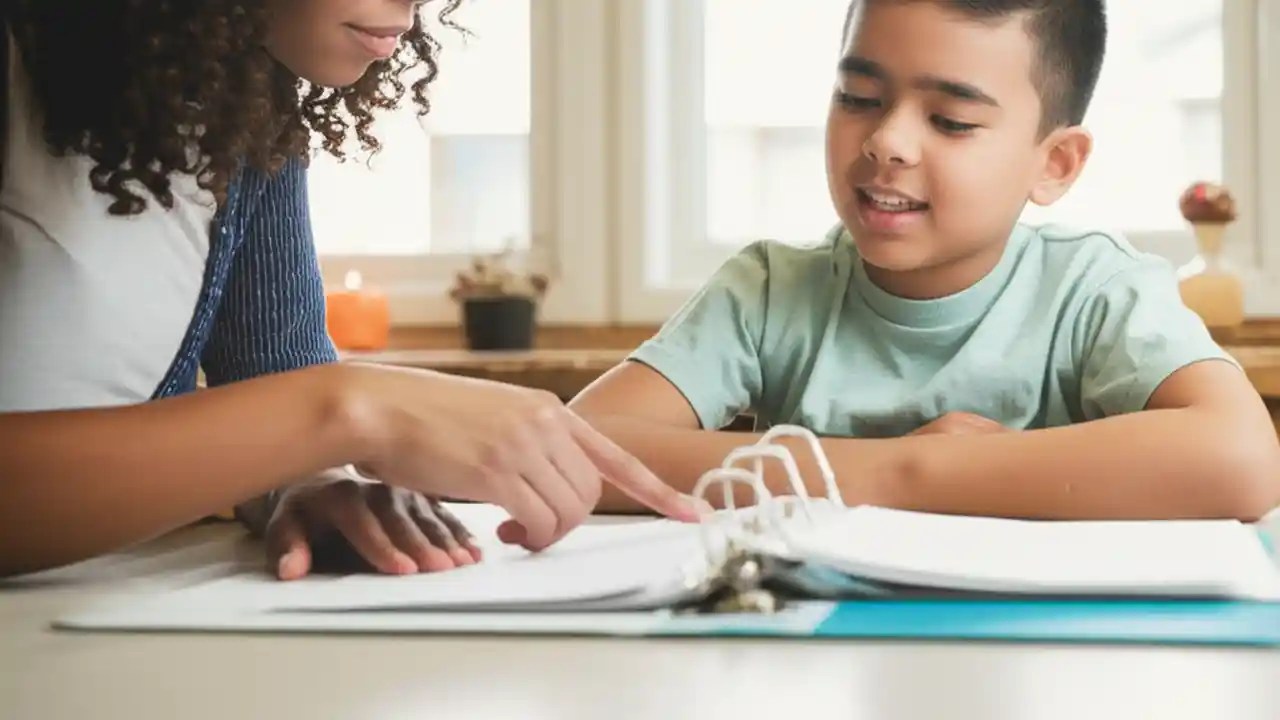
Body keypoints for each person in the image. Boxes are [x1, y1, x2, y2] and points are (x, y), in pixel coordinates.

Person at [0, 0, 702, 581]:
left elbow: (277, 382)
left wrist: (309, 482)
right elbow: (314, 406)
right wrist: (354, 410)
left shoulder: (248, 109)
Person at [571, 0, 1280, 521]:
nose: (886, 141)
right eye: (858, 97)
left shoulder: (1095, 291)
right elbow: (575, 452)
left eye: (951, 121)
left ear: (1055, 162)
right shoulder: (768, 292)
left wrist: (914, 473)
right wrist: (897, 472)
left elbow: (1242, 459)